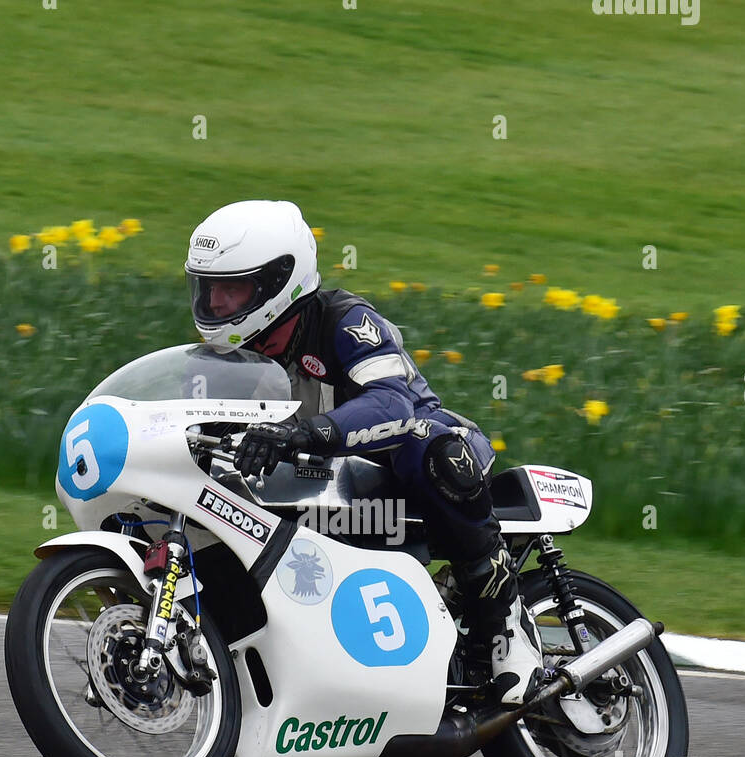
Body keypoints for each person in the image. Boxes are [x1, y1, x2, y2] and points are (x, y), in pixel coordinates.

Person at [185, 199, 543, 706]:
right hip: (326, 492)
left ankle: (506, 619)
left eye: (231, 288)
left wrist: (303, 434)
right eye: (208, 288)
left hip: (422, 462)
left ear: (276, 284)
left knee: (428, 447)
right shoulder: (220, 362)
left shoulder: (345, 322)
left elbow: (390, 402)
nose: (216, 304)